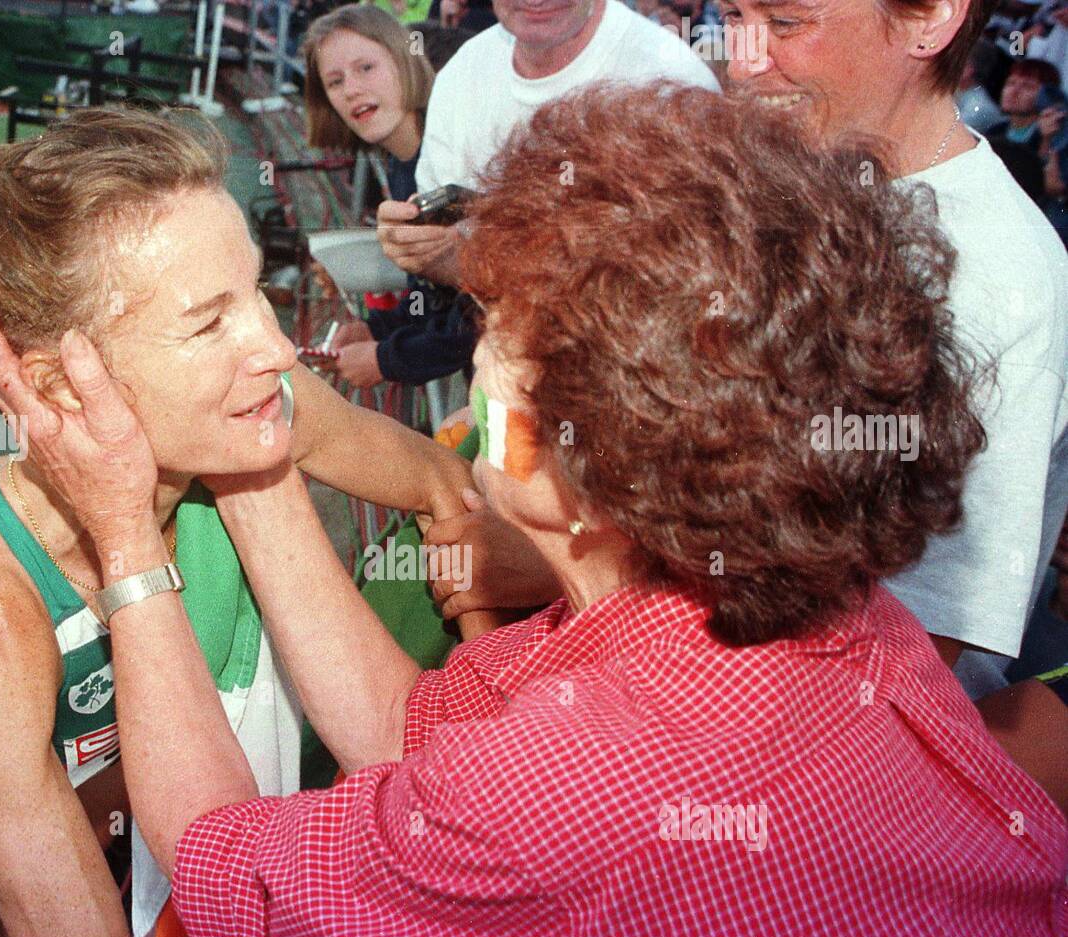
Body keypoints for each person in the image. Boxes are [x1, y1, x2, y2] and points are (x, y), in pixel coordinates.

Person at [0, 87, 1067, 937]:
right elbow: (413, 734)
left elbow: (217, 862)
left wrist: (125, 536)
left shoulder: (558, 790)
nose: (475, 347)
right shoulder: (815, 600)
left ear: (545, 456)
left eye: (496, 329)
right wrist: (258, 455)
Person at [0, 108, 474, 937]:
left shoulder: (247, 402)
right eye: (206, 322)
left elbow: (440, 481)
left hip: (118, 749)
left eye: (258, 293)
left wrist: (478, 598)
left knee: (117, 875)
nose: (274, 345)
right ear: (62, 385)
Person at [435, 0, 1068, 801]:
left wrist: (571, 554)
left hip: (804, 779)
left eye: (789, 22)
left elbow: (906, 656)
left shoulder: (1003, 283)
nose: (743, 59)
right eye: (733, 16)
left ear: (931, 18)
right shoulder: (774, 174)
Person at [377, 0, 720, 287]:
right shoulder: (464, 72)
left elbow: (686, 272)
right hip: (500, 349)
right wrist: (424, 251)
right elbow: (454, 256)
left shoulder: (666, 79)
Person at [301, 4, 476, 391]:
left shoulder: (456, 158)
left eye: (366, 68)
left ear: (404, 62)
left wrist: (385, 359)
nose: (352, 90)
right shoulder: (402, 164)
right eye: (334, 81)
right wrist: (375, 329)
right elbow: (433, 298)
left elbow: (477, 317)